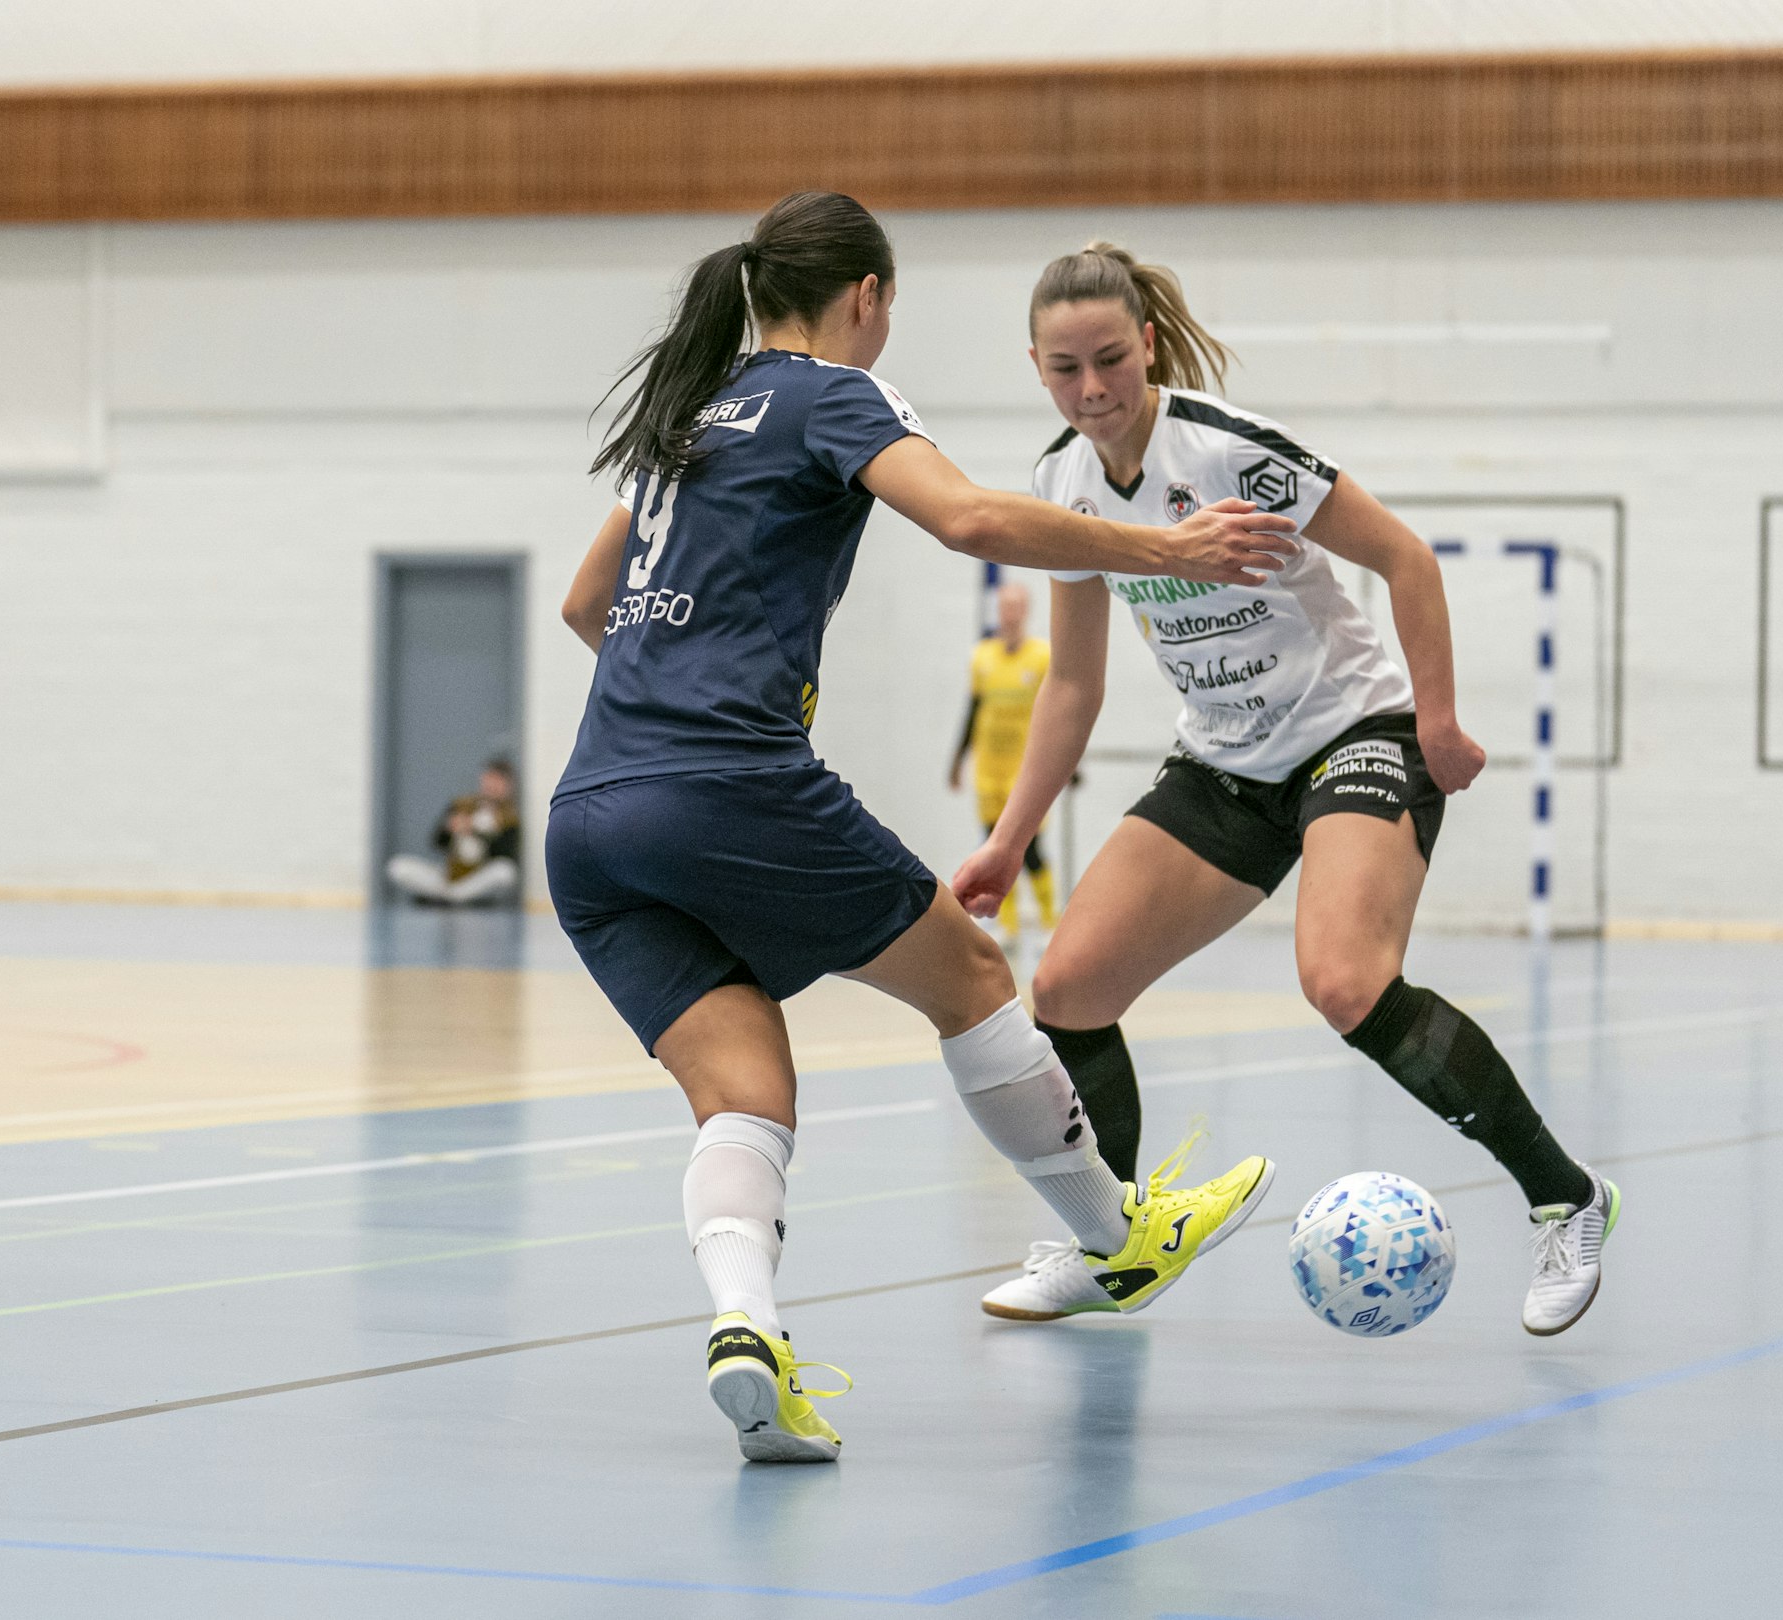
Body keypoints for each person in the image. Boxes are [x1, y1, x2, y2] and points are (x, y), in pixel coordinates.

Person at [546, 194, 1299, 1465]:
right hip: (729, 782)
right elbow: (969, 520)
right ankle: (1118, 1241)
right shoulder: (833, 395)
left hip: (592, 815)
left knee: (746, 1098)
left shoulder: (685, 414)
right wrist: (1163, 545)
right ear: (871, 297)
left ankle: (748, 1336)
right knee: (974, 979)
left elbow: (585, 606)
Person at [954, 242, 1621, 1337]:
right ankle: (1115, 1243)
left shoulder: (1222, 451)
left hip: (1354, 734)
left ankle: (1566, 1195)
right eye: (1065, 369)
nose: (1093, 390)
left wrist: (1440, 722)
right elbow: (1074, 681)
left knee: (1345, 982)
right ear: (1036, 367)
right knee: (1068, 989)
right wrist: (1006, 837)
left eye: (1111, 360)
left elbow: (1407, 557)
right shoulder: (1062, 482)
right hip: (1224, 760)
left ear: (1150, 344)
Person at [949, 580, 1058, 941]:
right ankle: (1007, 925)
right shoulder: (982, 657)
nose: (1008, 614)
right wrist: (957, 761)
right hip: (989, 771)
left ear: (1025, 611)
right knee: (991, 846)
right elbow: (973, 708)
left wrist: (1065, 766)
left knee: (1030, 850)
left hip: (1025, 771)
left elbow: (1059, 715)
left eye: (1015, 607)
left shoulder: (1041, 657)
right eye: (1003, 607)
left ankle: (1048, 921)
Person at [385, 759, 521, 904]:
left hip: (478, 877)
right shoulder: (461, 805)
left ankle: (449, 897)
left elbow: (505, 855)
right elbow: (437, 842)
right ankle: (453, 897)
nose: (492, 785)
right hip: (449, 875)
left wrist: (474, 832)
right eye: (490, 779)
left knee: (506, 872)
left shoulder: (510, 818)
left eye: (498, 781)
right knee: (397, 867)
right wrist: (449, 829)